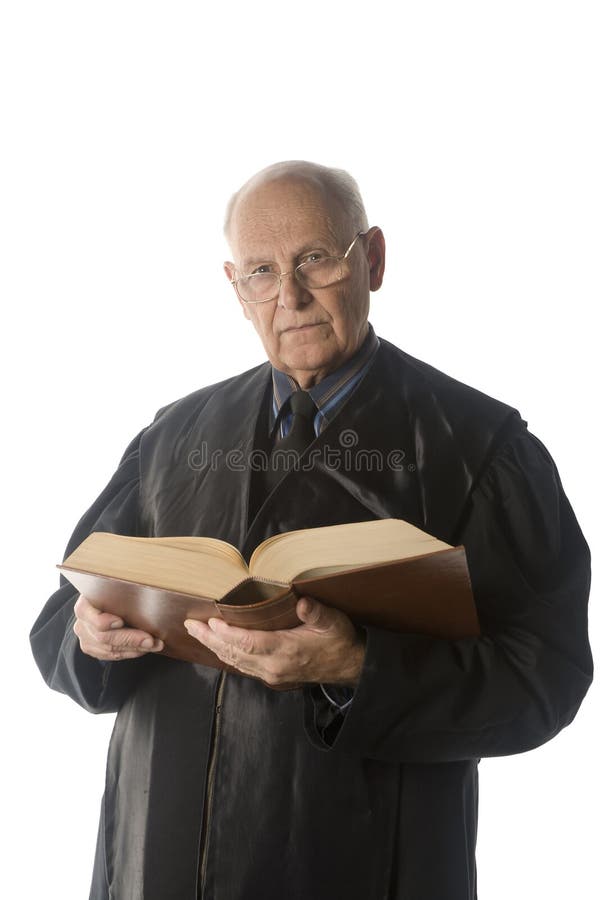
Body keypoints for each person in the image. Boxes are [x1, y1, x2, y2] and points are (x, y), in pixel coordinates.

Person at [31, 160, 592, 900]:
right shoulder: (171, 437)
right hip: (152, 863)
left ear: (375, 259)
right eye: (261, 271)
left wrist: (360, 668)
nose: (289, 296)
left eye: (315, 259)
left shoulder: (484, 450)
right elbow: (56, 632)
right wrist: (90, 638)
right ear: (236, 288)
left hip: (365, 867)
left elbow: (543, 681)